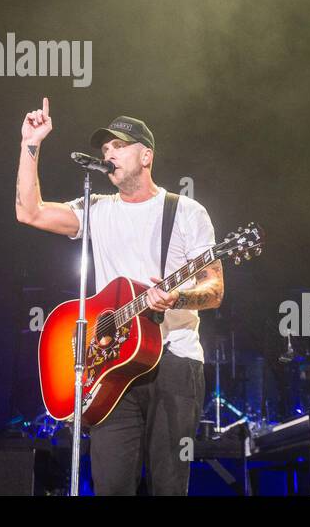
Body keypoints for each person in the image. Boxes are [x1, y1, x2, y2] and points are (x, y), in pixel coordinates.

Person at [15, 98, 222, 495]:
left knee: (168, 486)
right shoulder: (97, 208)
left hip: (174, 361)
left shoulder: (186, 212)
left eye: (119, 145)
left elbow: (214, 290)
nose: (109, 153)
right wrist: (31, 143)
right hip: (111, 368)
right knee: (110, 487)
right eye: (105, 148)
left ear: (146, 156)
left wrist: (174, 299)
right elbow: (31, 212)